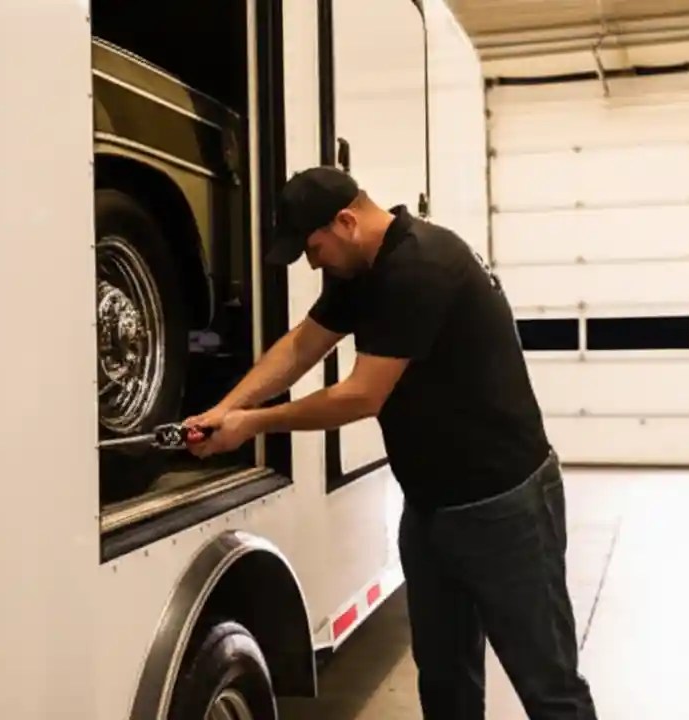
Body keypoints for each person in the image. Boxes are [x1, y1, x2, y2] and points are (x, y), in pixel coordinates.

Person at [183, 166, 599, 720]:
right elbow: (301, 346)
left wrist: (255, 424)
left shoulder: (420, 266)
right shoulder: (363, 270)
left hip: (505, 506)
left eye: (313, 247)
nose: (312, 262)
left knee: (548, 685)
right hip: (431, 508)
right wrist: (227, 408)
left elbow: (361, 396)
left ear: (347, 221)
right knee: (446, 682)